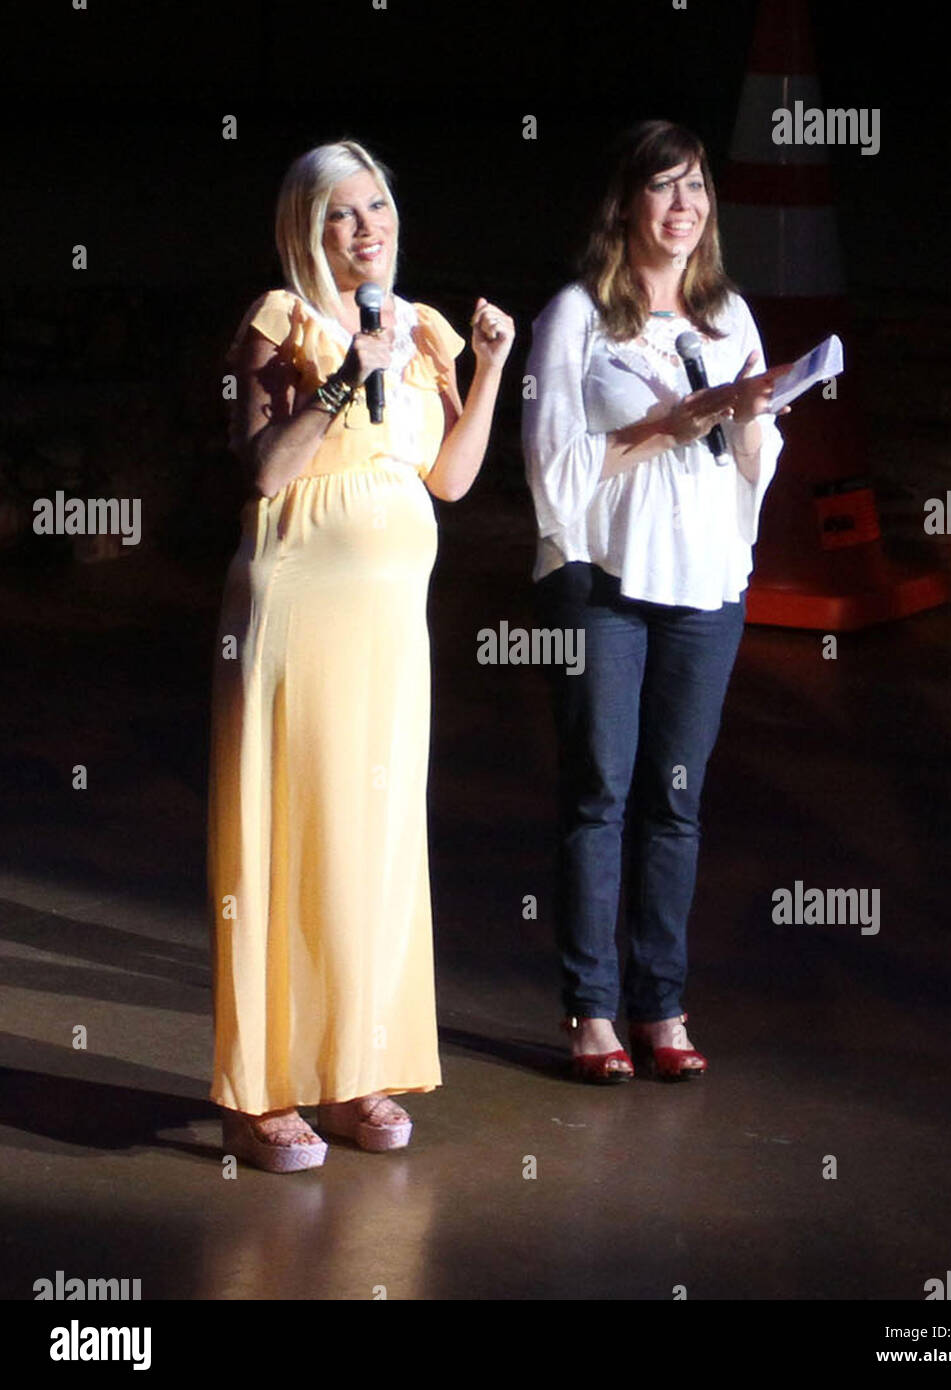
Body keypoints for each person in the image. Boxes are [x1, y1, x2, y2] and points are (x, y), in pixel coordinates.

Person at [208, 138, 514, 1169]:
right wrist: (344, 378)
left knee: (372, 842)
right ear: (307, 229)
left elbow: (450, 479)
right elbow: (263, 471)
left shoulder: (421, 329)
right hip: (296, 612)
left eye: (377, 206)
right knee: (286, 833)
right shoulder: (276, 323)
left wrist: (490, 367)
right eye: (342, 213)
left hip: (390, 630)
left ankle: (355, 1072)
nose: (367, 227)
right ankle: (262, 1094)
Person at [523, 120, 790, 1083]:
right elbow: (552, 477)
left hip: (705, 583)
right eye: (663, 189)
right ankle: (591, 1012)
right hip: (602, 581)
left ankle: (660, 1006)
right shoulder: (575, 319)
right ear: (626, 204)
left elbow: (752, 476)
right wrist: (663, 426)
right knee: (598, 792)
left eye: (697, 190)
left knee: (675, 805)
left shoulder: (731, 321)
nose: (683, 207)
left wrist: (752, 419)